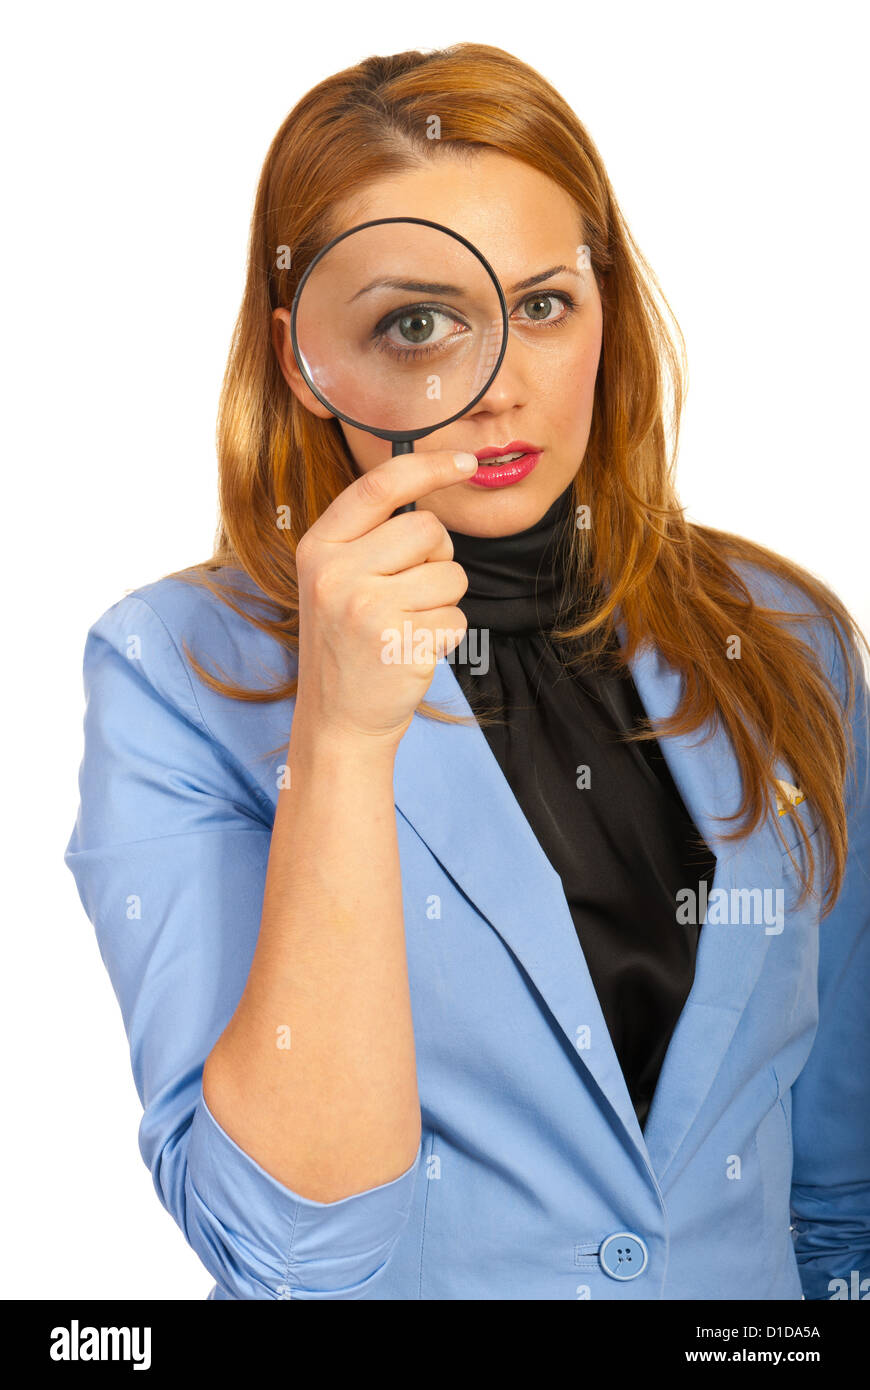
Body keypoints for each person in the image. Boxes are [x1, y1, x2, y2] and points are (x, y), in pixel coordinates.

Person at [64, 43, 870, 1301]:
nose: (499, 390)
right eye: (418, 324)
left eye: (544, 305)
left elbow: (841, 1198)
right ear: (300, 360)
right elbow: (287, 1251)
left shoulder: (783, 639)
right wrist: (338, 741)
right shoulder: (175, 671)